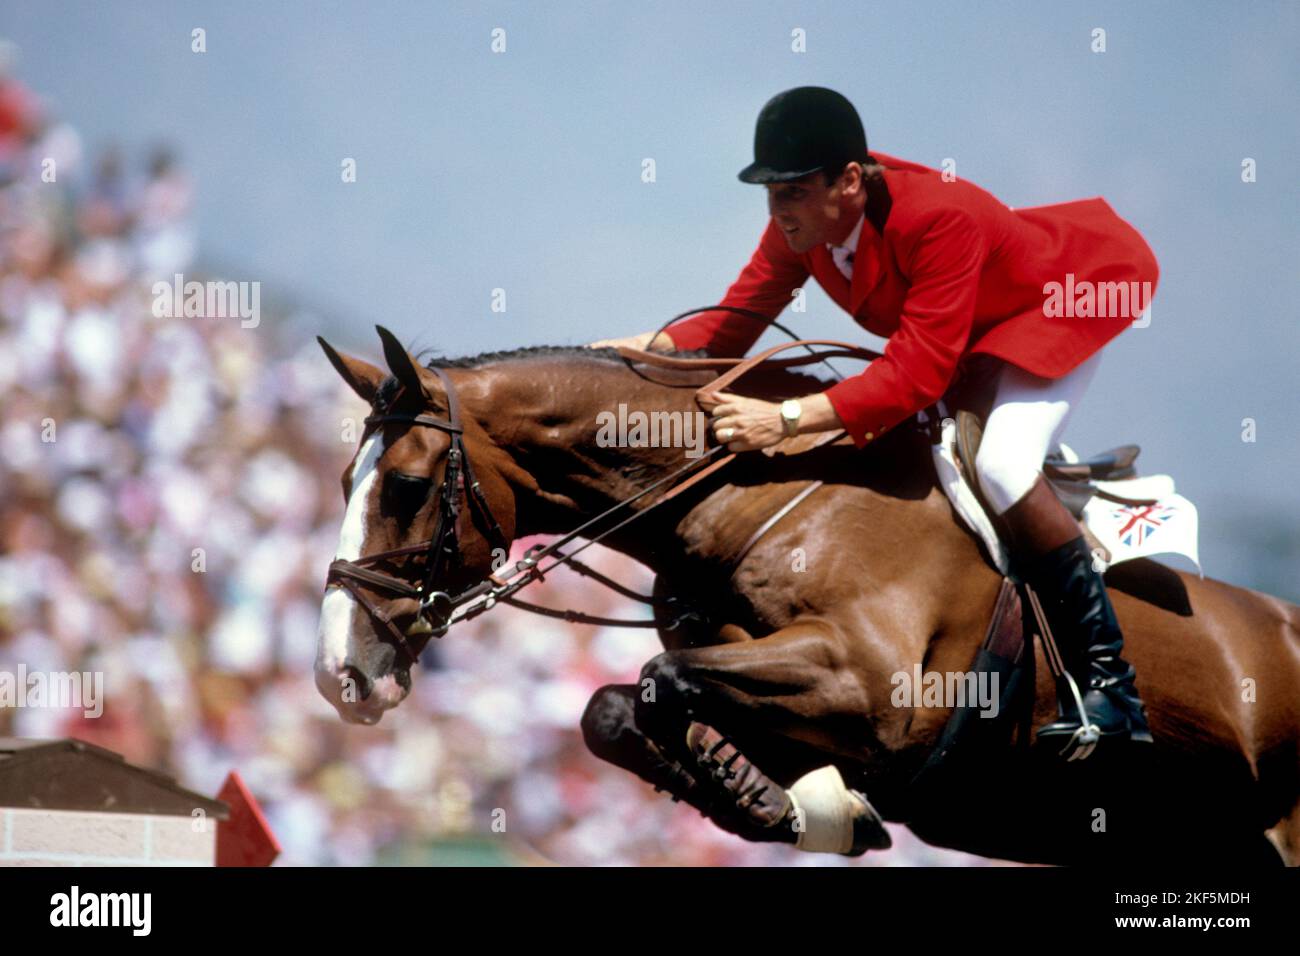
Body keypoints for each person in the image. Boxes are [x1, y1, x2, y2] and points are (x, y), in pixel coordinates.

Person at [591, 86, 1157, 755]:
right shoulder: (803, 228)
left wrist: (788, 419)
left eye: (792, 193)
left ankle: (1111, 686)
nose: (778, 213)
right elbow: (734, 323)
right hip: (966, 333)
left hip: (1057, 302)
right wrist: (627, 353)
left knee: (1001, 465)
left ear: (850, 180)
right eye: (771, 195)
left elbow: (916, 373)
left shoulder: (939, 217)